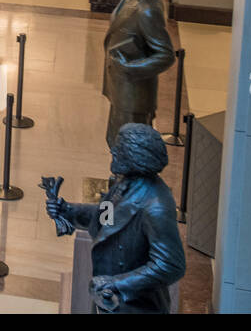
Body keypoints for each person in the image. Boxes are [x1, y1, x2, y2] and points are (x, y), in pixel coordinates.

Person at [44, 123, 186, 313]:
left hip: (136, 307)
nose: (113, 151)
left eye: (119, 147)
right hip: (111, 300)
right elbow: (106, 217)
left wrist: (117, 284)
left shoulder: (156, 206)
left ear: (135, 156)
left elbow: (170, 265)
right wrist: (68, 210)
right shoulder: (126, 183)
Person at [101, 0, 175, 147]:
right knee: (115, 141)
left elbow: (166, 55)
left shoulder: (147, 8)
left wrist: (130, 69)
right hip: (123, 89)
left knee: (128, 148)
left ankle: (126, 178)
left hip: (134, 96)